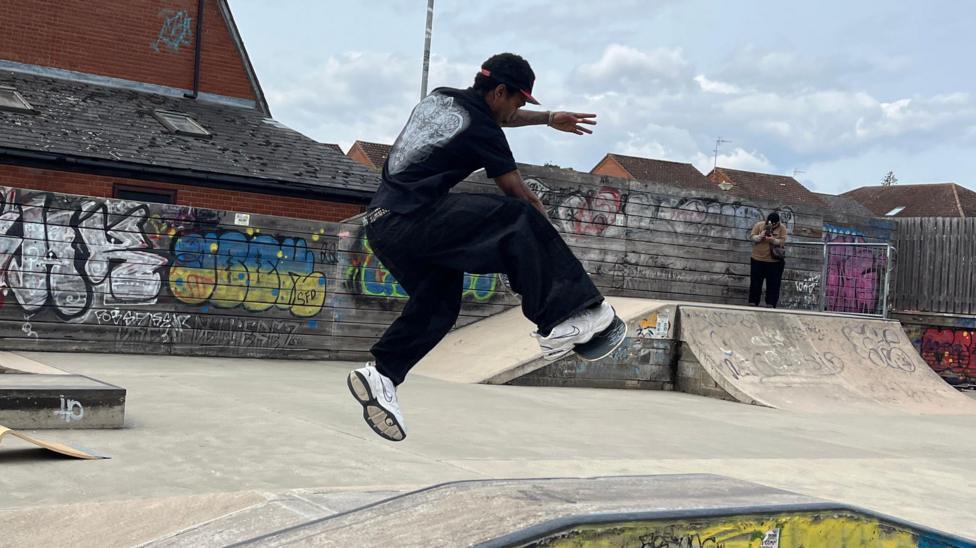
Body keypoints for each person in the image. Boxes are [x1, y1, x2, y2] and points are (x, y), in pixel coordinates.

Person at [346, 53, 615, 442]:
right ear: (500, 91)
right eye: (518, 102)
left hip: (382, 227)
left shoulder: (440, 99)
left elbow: (497, 116)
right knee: (518, 219)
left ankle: (382, 374)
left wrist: (547, 116)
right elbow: (518, 193)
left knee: (439, 304)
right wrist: (549, 238)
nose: (517, 111)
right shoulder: (486, 132)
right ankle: (562, 319)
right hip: (413, 219)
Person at [748, 212, 788, 308]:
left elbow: (782, 241)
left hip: (774, 261)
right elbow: (752, 237)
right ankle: (753, 301)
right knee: (755, 282)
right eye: (770, 223)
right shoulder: (759, 225)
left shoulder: (782, 228)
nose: (772, 225)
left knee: (773, 284)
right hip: (757, 258)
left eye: (775, 224)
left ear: (778, 222)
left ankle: (771, 303)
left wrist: (773, 240)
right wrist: (759, 236)